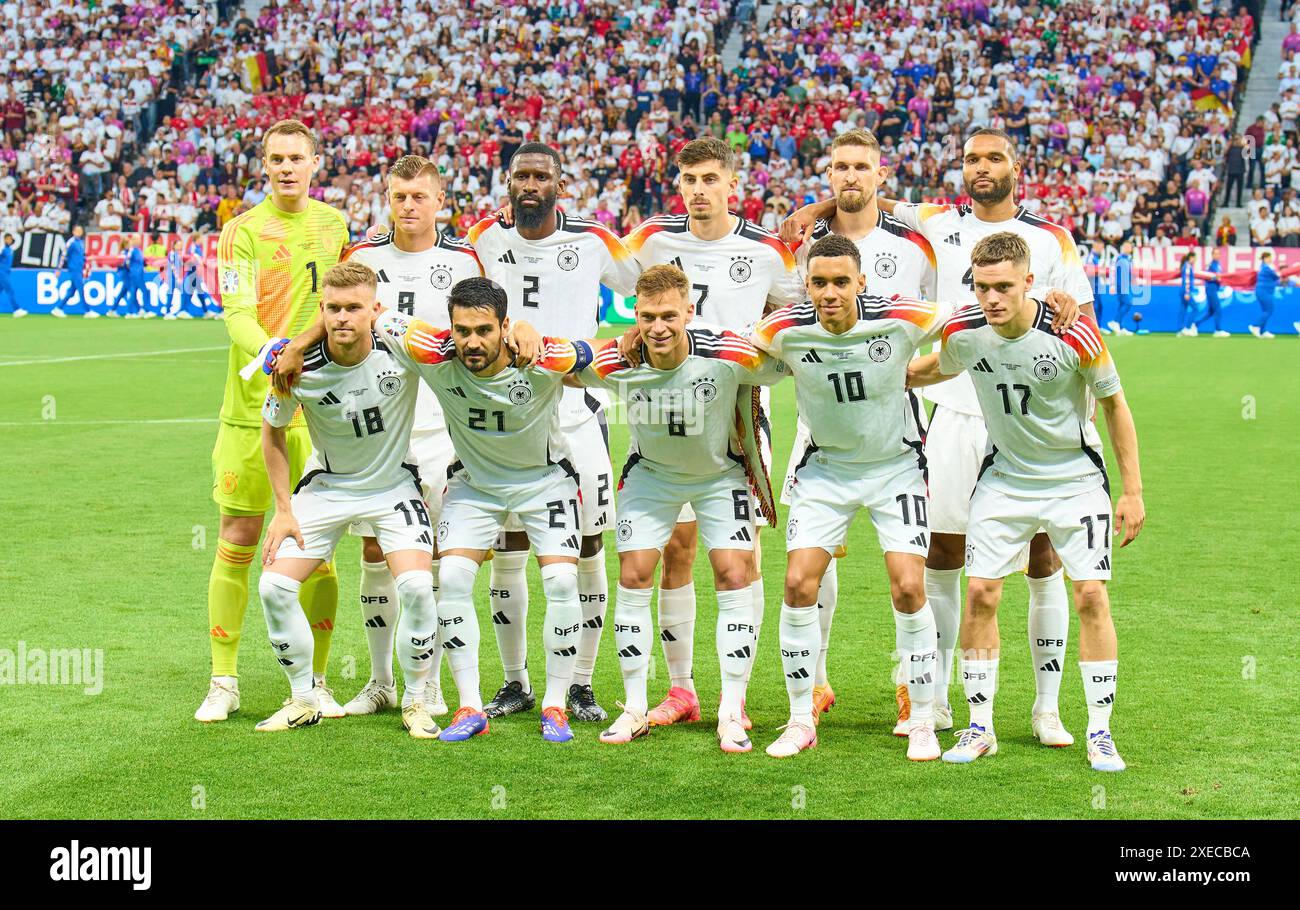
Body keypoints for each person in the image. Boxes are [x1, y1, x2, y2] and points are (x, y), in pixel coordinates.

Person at [784, 127, 1096, 745]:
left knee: (1043, 559)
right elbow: (862, 199)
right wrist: (817, 209)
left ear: (1016, 167)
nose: (982, 168)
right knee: (944, 556)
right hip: (954, 409)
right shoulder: (933, 222)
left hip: (1036, 417)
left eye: (994, 158)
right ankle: (935, 697)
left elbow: (1080, 317)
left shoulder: (1053, 238)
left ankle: (1046, 709)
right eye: (972, 159)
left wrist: (1064, 304)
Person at [909, 232, 1145, 773]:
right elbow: (930, 370)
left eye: (1004, 287)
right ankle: (979, 726)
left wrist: (1131, 490)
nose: (992, 298)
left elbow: (1115, 406)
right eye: (983, 286)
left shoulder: (1074, 333)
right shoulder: (966, 333)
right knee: (983, 595)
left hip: (1076, 481)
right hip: (1004, 481)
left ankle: (1100, 732)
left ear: (1029, 283)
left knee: (1090, 596)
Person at [278, 155, 484, 719]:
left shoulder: (463, 256)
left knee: (429, 561)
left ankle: (430, 683)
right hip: (372, 428)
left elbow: (466, 333)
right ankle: (378, 680)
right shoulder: (364, 254)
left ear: (440, 200)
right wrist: (296, 345)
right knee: (373, 550)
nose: (408, 206)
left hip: (437, 429)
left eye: (419, 196)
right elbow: (334, 310)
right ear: (387, 198)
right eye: (399, 196)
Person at [621, 137, 804, 731]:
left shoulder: (764, 250)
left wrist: (763, 338)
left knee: (739, 558)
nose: (698, 190)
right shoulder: (653, 239)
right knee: (674, 548)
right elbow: (634, 299)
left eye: (709, 179)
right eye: (688, 179)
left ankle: (737, 694)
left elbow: (796, 311)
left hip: (737, 416)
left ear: (732, 184)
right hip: (665, 413)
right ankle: (681, 690)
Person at [571, 265, 788, 752]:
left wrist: (770, 330)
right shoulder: (619, 360)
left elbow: (786, 363)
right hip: (651, 476)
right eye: (647, 316)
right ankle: (633, 708)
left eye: (670, 315)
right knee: (634, 575)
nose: (658, 327)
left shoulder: (726, 353)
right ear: (635, 315)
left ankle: (731, 711)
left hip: (719, 476)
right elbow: (565, 365)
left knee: (734, 572)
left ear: (690, 312)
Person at [368, 278, 587, 744]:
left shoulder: (543, 358)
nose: (472, 341)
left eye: (484, 329)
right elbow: (370, 310)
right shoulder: (432, 352)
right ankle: (469, 706)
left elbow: (611, 352)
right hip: (475, 486)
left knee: (564, 581)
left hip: (544, 482)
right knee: (449, 579)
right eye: (462, 329)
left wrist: (538, 332)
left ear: (505, 327)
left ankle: (554, 704)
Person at [466, 142, 641, 724]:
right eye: (522, 176)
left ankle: (582, 684)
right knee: (508, 547)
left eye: (543, 175)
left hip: (576, 409)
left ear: (560, 186)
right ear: (508, 184)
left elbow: (649, 282)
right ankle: (515, 682)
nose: (531, 184)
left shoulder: (593, 239)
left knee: (588, 547)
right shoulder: (483, 240)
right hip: (510, 414)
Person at [195, 119, 351, 724]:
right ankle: (223, 680)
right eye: (277, 158)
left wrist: (302, 356)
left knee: (319, 548)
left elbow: (346, 303)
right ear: (264, 165)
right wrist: (273, 358)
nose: (287, 167)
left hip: (318, 406)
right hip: (251, 409)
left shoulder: (335, 226)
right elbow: (235, 311)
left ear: (316, 163)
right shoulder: (241, 231)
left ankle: (315, 681)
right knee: (237, 537)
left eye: (298, 157)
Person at [781, 128, 937, 728]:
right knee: (817, 562)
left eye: (860, 168)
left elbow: (940, 331)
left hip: (893, 429)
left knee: (908, 570)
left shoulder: (916, 246)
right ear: (829, 174)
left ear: (881, 174)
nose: (849, 177)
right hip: (820, 425)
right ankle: (815, 681)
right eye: (839, 168)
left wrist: (905, 379)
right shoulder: (805, 244)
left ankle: (909, 683)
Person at [254, 261, 439, 737]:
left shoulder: (401, 351)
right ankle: (302, 698)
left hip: (394, 484)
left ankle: (416, 701)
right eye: (333, 309)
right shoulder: (297, 368)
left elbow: (453, 350)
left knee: (418, 587)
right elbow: (272, 433)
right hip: (328, 486)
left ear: (375, 310)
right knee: (274, 587)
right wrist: (283, 509)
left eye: (354, 308)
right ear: (322, 311)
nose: (342, 318)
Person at [52, 224, 88, 318]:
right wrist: (58, 269)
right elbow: (63, 254)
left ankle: (58, 308)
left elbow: (82, 257)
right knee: (81, 289)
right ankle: (87, 310)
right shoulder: (71, 242)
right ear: (73, 232)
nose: (79, 232)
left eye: (80, 231)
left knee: (71, 291)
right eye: (77, 230)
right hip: (74, 269)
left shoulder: (80, 242)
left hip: (79, 269)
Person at [113, 235, 148, 318]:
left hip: (129, 273)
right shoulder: (127, 252)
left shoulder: (132, 251)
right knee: (133, 292)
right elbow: (125, 263)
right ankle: (136, 311)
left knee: (124, 292)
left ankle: (113, 309)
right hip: (127, 274)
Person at [1251, 251, 1280, 338]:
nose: (1270, 259)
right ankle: (1255, 326)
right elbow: (1276, 276)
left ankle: (1263, 331)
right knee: (1269, 311)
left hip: (1264, 291)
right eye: (1269, 258)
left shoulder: (1263, 267)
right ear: (1265, 259)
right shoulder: (1266, 268)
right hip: (1264, 292)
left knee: (1265, 311)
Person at [1197, 257, 1228, 337]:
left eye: (1218, 254)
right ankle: (1218, 330)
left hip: (1214, 289)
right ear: (1213, 255)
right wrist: (1216, 278)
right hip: (1211, 289)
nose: (1217, 255)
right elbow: (1206, 276)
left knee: (1210, 312)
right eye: (1215, 254)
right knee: (1218, 310)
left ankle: (1194, 324)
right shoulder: (1211, 265)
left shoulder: (1218, 265)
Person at [1110, 242, 1135, 335]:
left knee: (1122, 304)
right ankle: (1115, 322)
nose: (1127, 248)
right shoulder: (1117, 258)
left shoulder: (1129, 259)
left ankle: (1120, 326)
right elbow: (1112, 271)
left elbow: (1130, 272)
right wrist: (1112, 285)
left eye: (1129, 246)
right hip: (1120, 284)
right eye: (1125, 246)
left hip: (1126, 285)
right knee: (1129, 302)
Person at [1177, 252, 1197, 337]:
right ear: (1191, 258)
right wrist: (1187, 292)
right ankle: (1188, 328)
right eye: (1195, 258)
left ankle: (1180, 330)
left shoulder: (1185, 266)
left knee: (1183, 310)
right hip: (1186, 291)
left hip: (1183, 290)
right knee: (1196, 308)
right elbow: (1187, 280)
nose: (1195, 261)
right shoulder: (1188, 267)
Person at [0, 232, 19, 316]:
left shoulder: (10, 250)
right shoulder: (2, 249)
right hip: (1, 272)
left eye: (11, 239)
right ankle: (17, 309)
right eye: (8, 239)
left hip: (6, 272)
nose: (9, 240)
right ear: (4, 239)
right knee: (10, 290)